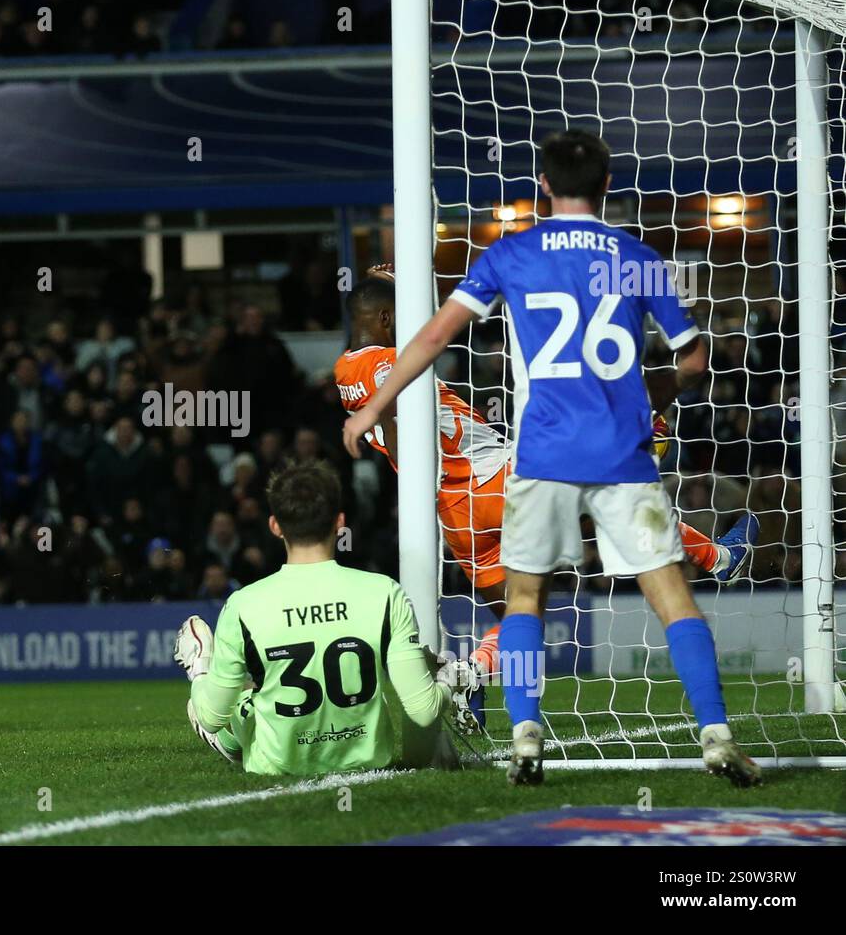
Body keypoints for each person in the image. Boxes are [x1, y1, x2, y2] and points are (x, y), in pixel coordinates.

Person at [342, 130, 760, 787]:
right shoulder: (637, 258)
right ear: (607, 185)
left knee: (526, 600)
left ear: (542, 186)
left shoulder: (511, 253)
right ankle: (716, 734)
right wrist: (661, 389)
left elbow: (432, 336)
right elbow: (695, 357)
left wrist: (372, 408)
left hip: (540, 456)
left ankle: (527, 737)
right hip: (623, 455)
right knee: (674, 600)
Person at [337, 266, 760, 721]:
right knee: (604, 464)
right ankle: (712, 551)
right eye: (400, 313)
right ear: (385, 318)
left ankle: (469, 675)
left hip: (453, 514)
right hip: (495, 480)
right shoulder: (386, 364)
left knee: (520, 617)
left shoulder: (344, 373)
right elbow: (417, 355)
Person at [173, 458, 477, 776]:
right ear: (339, 521)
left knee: (243, 698)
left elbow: (209, 717)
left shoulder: (242, 604)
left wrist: (200, 677)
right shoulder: (384, 592)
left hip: (279, 766)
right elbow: (424, 709)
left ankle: (202, 669)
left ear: (275, 526)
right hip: (367, 763)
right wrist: (448, 680)